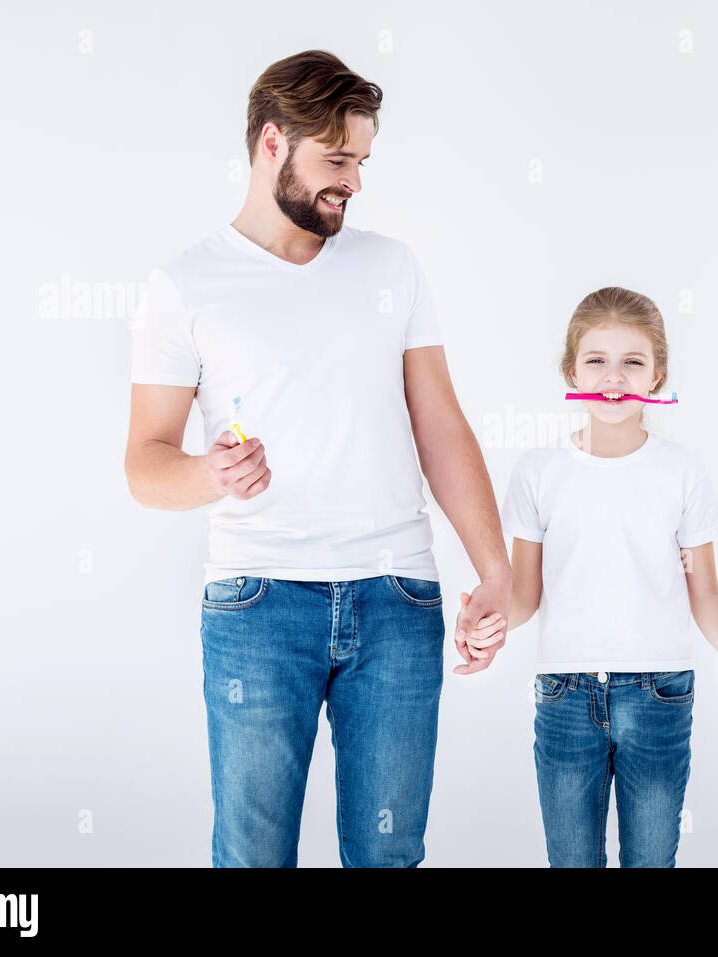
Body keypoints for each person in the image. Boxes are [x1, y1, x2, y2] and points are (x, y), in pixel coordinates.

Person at [123, 50, 512, 867]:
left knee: (389, 854)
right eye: (337, 160)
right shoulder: (185, 285)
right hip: (258, 605)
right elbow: (144, 465)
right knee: (253, 854)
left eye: (362, 161)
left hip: (397, 597)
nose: (354, 182)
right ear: (273, 143)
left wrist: (494, 568)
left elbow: (441, 425)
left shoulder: (392, 267)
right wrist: (207, 473)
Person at [463, 286, 718, 866]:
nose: (613, 378)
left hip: (660, 694)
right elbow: (524, 595)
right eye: (596, 360)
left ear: (657, 375)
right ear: (571, 369)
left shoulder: (682, 472)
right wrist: (488, 623)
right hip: (564, 694)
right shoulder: (538, 471)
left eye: (632, 362)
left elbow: (706, 596)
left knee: (652, 860)